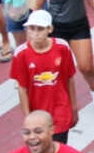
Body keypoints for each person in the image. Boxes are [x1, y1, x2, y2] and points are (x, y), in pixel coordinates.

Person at [10, 10, 79, 144]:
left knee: (59, 148)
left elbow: (69, 78)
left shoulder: (62, 47)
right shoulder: (21, 54)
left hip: (60, 109)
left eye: (40, 29)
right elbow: (22, 89)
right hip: (37, 112)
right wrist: (28, 117)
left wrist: (73, 107)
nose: (35, 33)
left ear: (49, 29)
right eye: (31, 28)